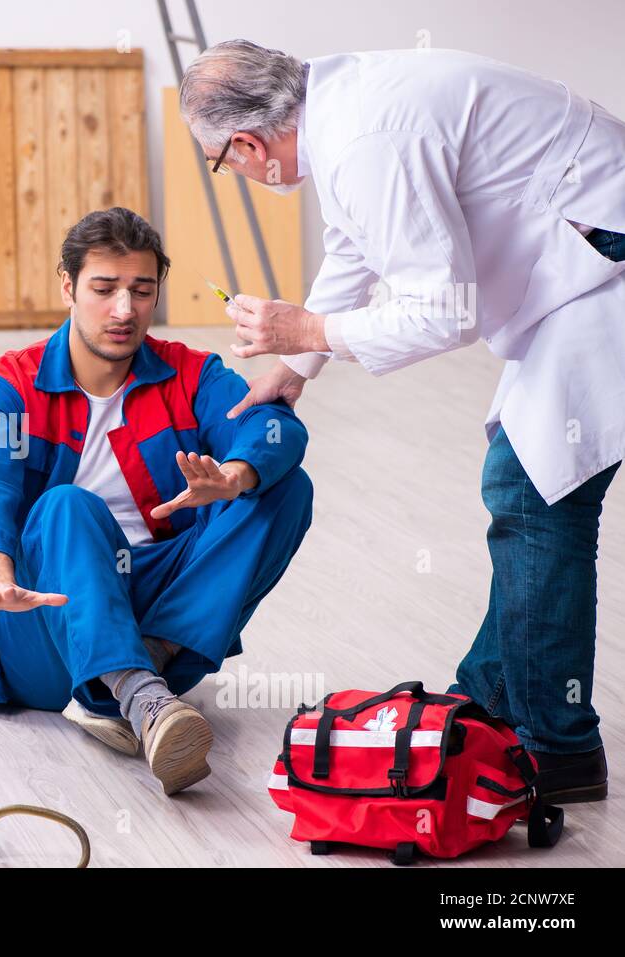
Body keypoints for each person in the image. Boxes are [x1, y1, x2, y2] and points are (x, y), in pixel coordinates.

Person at [179, 40, 625, 802]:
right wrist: (294, 367)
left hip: (602, 262)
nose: (239, 176)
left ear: (247, 144)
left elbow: (441, 313)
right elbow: (358, 245)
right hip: (580, 257)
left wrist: (308, 332)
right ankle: (491, 698)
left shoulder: (363, 138)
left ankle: (557, 744)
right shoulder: (344, 106)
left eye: (224, 164)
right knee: (523, 484)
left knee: (535, 494)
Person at [0, 207, 313, 795]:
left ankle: (139, 669)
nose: (124, 310)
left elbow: (274, 429)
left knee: (282, 486)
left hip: (148, 601)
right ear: (67, 286)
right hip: (38, 612)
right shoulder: (2, 387)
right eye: (104, 289)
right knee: (68, 505)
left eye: (141, 291)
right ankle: (139, 695)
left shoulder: (188, 373)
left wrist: (237, 474)